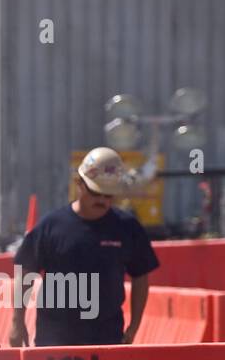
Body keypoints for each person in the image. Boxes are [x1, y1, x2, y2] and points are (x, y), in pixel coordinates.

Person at [10, 147, 160, 347]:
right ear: (79, 184)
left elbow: (141, 276)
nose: (101, 201)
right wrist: (17, 322)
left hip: (107, 340)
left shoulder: (127, 228)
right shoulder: (51, 227)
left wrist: (134, 326)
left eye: (108, 195)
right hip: (55, 342)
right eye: (96, 193)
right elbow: (25, 271)